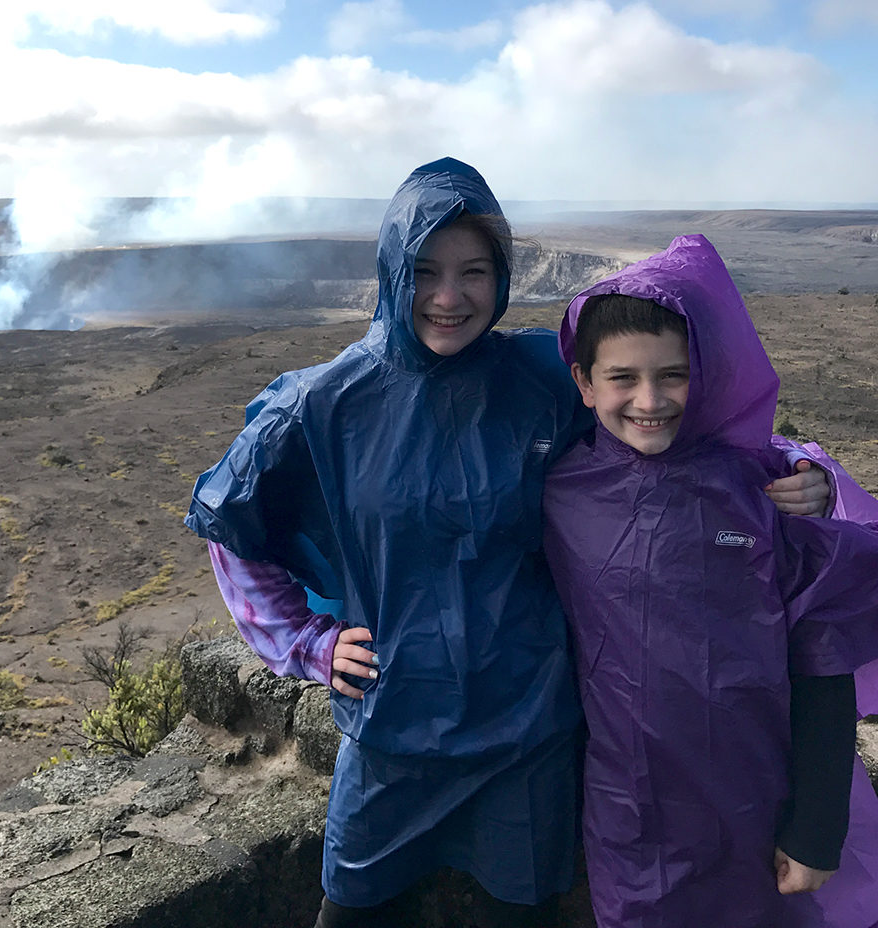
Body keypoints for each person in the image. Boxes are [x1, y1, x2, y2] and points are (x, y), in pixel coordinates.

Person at [185, 160, 831, 928]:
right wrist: (308, 645)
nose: (449, 296)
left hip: (528, 730)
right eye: (425, 270)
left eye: (474, 271)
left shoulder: (540, 378)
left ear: (502, 276)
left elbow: (667, 420)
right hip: (394, 729)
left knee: (516, 914)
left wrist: (795, 473)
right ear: (392, 271)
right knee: (353, 911)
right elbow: (233, 524)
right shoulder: (323, 403)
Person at [542, 233, 878, 928]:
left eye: (674, 374)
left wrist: (816, 827)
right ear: (582, 382)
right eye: (622, 378)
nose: (650, 399)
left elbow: (823, 657)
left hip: (757, 801)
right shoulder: (561, 490)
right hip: (626, 813)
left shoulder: (762, 490)